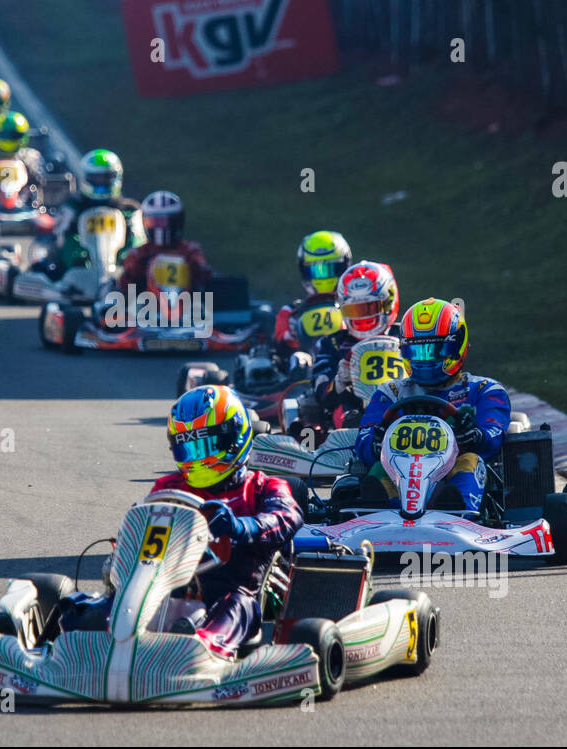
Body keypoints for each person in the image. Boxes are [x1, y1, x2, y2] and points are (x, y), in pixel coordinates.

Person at [61, 385, 302, 659]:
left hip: (229, 588)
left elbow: (287, 516)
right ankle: (90, 632)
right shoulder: (169, 487)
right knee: (103, 603)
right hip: (164, 584)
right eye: (189, 449)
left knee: (236, 606)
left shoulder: (262, 487)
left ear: (235, 437)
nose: (198, 458)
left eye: (206, 445)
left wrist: (241, 526)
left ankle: (199, 648)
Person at [353, 298, 510, 514]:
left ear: (457, 345)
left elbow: (494, 435)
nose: (425, 360)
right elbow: (363, 438)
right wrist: (375, 442)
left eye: (434, 351)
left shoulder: (484, 390)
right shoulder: (390, 392)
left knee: (470, 460)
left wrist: (476, 436)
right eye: (417, 352)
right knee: (379, 467)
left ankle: (458, 513)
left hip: (452, 473)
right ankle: (380, 514)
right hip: (399, 472)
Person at [312, 261, 401, 428]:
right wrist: (340, 381)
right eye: (354, 310)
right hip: (349, 417)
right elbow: (320, 393)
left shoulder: (405, 336)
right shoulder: (332, 344)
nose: (362, 317)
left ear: (389, 302)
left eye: (369, 308)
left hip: (403, 407)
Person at [32, 148, 143, 281]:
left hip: (119, 265)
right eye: (96, 178)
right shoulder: (74, 206)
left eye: (105, 177)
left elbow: (138, 242)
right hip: (81, 263)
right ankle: (72, 277)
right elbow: (60, 238)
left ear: (115, 178)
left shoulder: (129, 209)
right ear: (86, 178)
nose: (100, 182)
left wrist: (127, 258)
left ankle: (121, 272)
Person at [274, 231, 352, 359]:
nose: (323, 278)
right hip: (304, 372)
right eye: (315, 271)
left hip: (347, 368)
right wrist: (295, 336)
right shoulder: (291, 314)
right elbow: (280, 348)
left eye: (331, 269)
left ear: (344, 266)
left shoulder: (355, 309)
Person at [115, 191, 212, 293]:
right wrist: (138, 267)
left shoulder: (190, 251)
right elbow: (124, 283)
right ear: (144, 222)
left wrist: (194, 267)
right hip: (148, 304)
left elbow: (206, 277)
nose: (160, 227)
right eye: (155, 222)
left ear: (177, 222)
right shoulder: (139, 253)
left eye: (165, 222)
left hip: (186, 303)